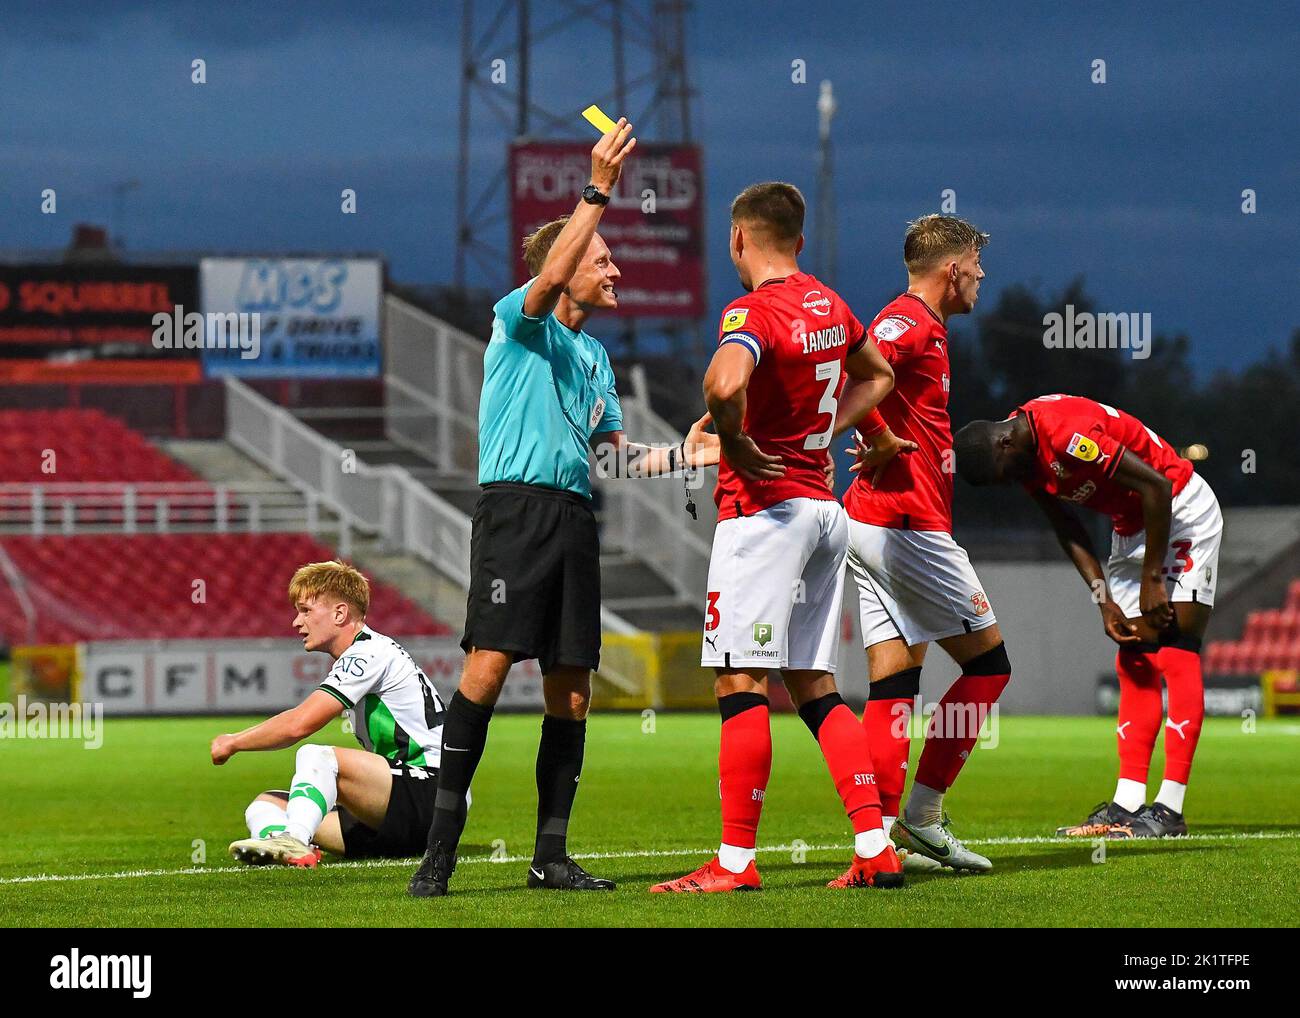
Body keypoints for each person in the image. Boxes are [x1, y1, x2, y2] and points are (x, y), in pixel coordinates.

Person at [408, 118, 721, 898]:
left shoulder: (596, 357)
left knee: (572, 689)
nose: (615, 271)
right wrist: (597, 190)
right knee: (484, 670)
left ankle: (550, 856)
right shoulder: (519, 320)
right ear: (568, 264)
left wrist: (688, 455)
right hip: (514, 515)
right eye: (604, 260)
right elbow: (546, 280)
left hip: (575, 519)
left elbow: (609, 457)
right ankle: (438, 854)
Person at [650, 181, 903, 893]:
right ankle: (875, 846)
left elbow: (723, 385)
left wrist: (734, 436)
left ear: (740, 240)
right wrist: (826, 432)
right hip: (825, 512)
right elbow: (879, 374)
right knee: (815, 685)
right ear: (797, 238)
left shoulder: (751, 312)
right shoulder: (829, 302)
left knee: (739, 679)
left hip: (765, 515)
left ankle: (734, 864)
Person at [953, 394, 1222, 837]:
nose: (1013, 482)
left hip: (1180, 509)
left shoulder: (1064, 432)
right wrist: (1103, 600)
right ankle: (1128, 802)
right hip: (1132, 527)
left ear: (1003, 443)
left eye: (1006, 475)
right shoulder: (1024, 457)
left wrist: (1153, 576)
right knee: (1135, 656)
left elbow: (1156, 485)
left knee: (1175, 648)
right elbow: (1068, 528)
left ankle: (1170, 809)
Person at [839, 214, 1007, 872]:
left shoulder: (923, 326)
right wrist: (876, 433)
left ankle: (878, 843)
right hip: (906, 527)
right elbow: (859, 372)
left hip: (877, 522)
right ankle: (923, 817)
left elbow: (863, 380)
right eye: (976, 262)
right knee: (989, 667)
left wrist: (876, 428)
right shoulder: (906, 323)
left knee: (894, 686)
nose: (982, 275)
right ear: (953, 268)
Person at [219, 560, 455, 866]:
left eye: (305, 610)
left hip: (431, 792)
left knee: (318, 756)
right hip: (400, 803)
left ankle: (294, 840)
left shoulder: (368, 654)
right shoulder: (365, 653)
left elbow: (298, 724)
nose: (296, 622)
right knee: (265, 805)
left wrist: (233, 742)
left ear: (340, 613)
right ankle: (288, 853)